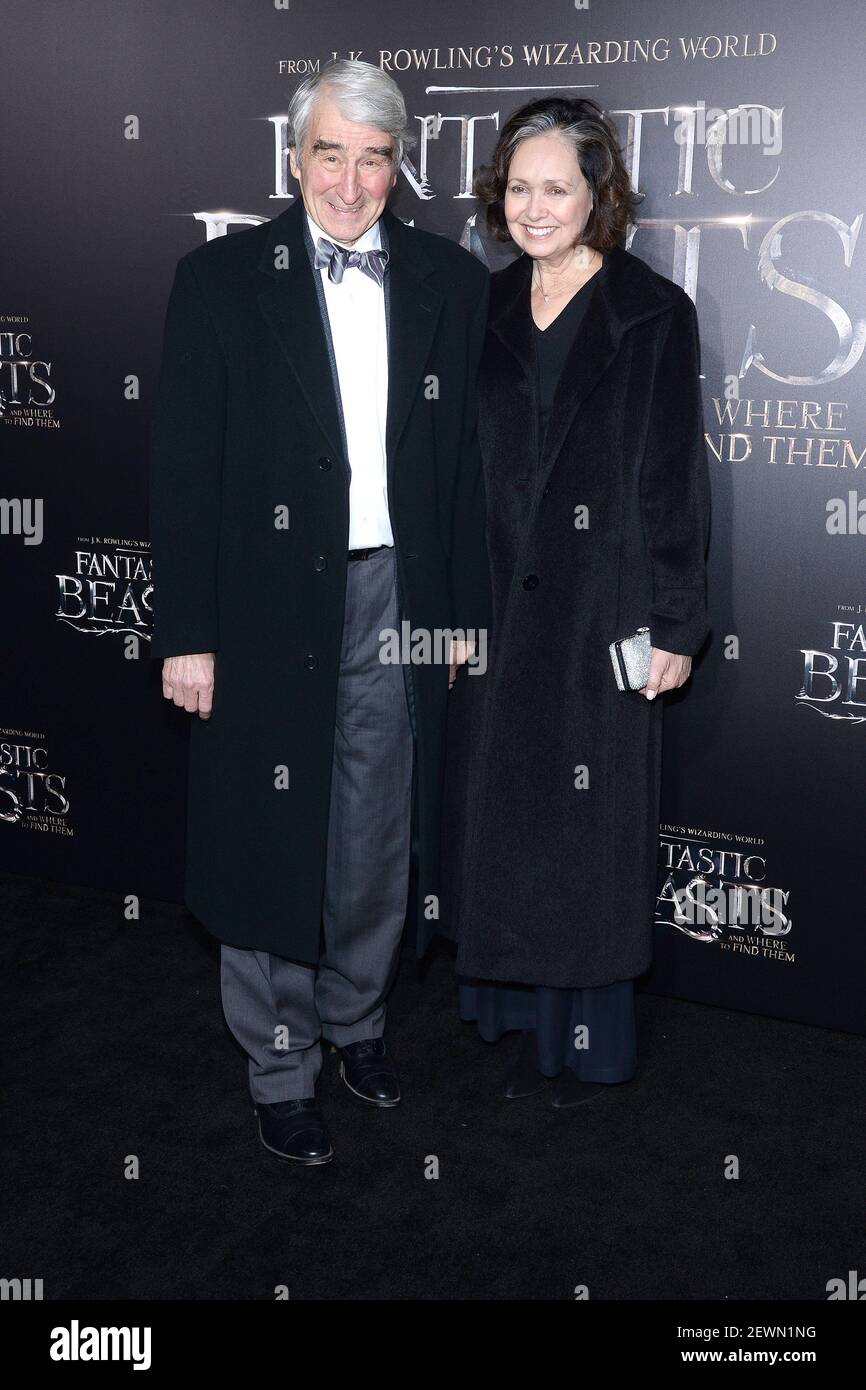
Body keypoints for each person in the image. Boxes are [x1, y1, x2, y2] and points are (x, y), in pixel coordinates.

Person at [149, 60, 490, 1164]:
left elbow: (464, 477)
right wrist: (188, 631)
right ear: (293, 159)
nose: (349, 180)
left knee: (378, 828)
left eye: (374, 156)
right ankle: (282, 1059)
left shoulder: (449, 279)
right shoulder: (218, 280)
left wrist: (453, 624)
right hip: (261, 602)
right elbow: (182, 469)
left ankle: (356, 1017)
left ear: (400, 167)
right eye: (329, 153)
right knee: (269, 828)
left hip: (400, 587)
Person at [443, 96, 711, 1108]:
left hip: (603, 615)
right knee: (500, 819)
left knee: (584, 832)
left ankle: (584, 1033)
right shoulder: (481, 306)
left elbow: (674, 478)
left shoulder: (651, 312)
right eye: (518, 187)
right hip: (497, 613)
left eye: (556, 187)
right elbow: (450, 473)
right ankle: (501, 1004)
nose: (534, 206)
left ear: (599, 197)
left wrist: (674, 622)